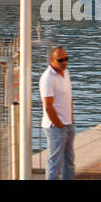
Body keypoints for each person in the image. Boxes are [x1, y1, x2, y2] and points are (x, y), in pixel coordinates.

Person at [39, 46, 74, 180]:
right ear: (52, 60)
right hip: (55, 126)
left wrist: (71, 119)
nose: (64, 62)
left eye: (66, 59)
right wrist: (59, 125)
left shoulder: (66, 73)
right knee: (54, 162)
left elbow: (69, 98)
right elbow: (48, 106)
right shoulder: (47, 78)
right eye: (60, 60)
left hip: (68, 123)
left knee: (69, 161)